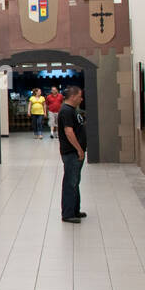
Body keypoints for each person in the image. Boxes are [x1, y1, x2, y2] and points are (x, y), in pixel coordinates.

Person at [58, 85, 88, 223]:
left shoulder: (72, 110)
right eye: (80, 97)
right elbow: (68, 132)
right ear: (73, 96)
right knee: (70, 182)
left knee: (75, 181)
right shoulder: (66, 111)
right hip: (71, 153)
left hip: (75, 152)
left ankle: (75, 210)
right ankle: (68, 213)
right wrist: (79, 149)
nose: (81, 99)